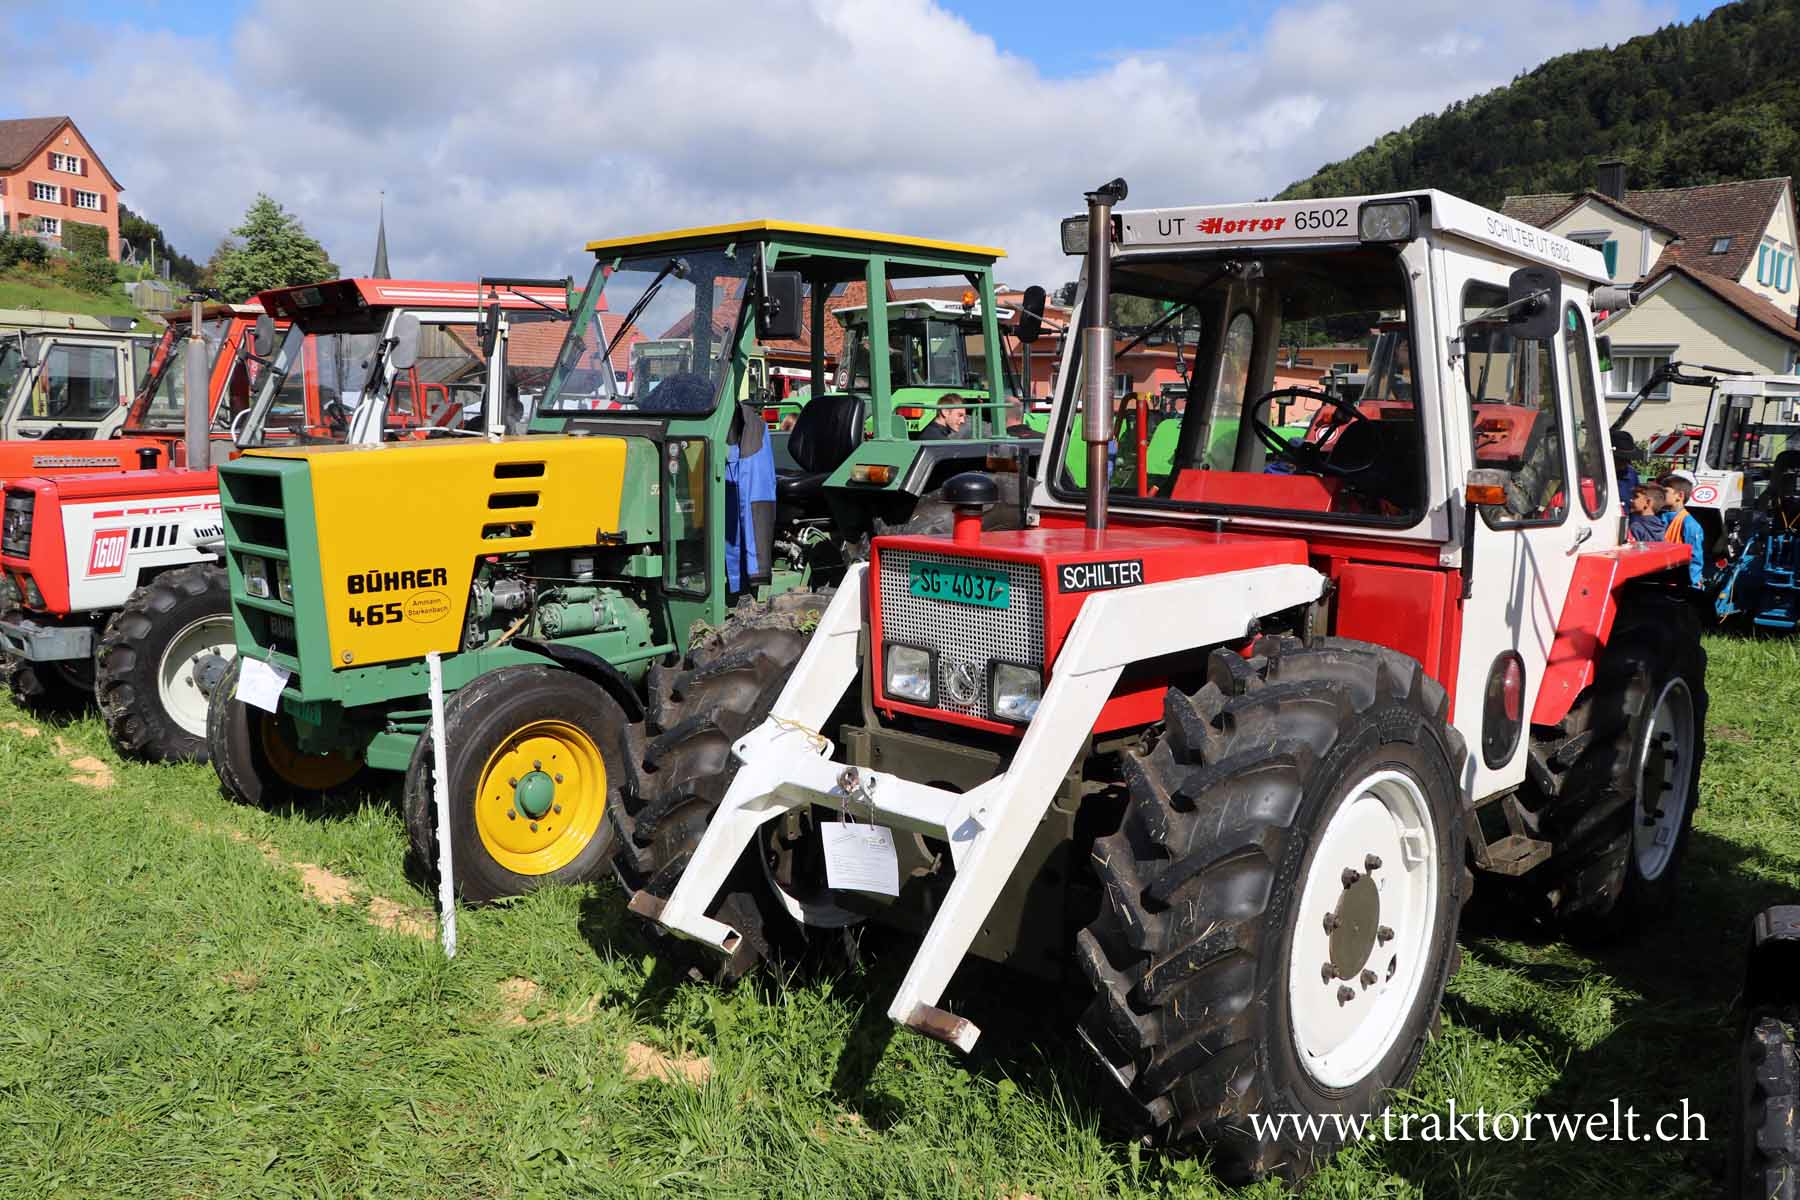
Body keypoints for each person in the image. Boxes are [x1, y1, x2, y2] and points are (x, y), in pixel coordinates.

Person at [1658, 473, 1706, 588]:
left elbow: (1695, 558)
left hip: (1678, 584)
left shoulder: (1689, 524)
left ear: (1679, 496)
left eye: (1665, 492)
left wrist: (1689, 584)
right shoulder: (1659, 517)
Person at [1610, 429, 1640, 514]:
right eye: (1621, 459)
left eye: (1627, 459)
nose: (1624, 463)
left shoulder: (1631, 474)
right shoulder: (1596, 475)